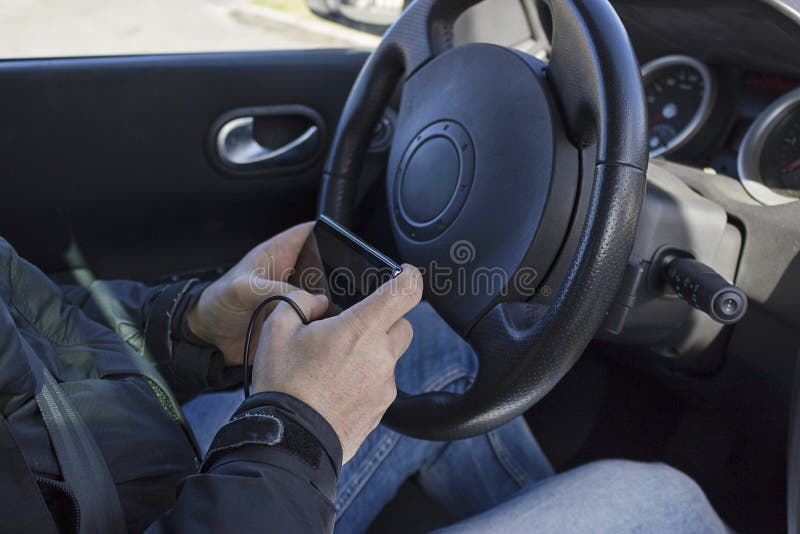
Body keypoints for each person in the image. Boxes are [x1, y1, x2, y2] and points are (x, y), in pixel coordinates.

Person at [0, 223, 726, 533]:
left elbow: (38, 333)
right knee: (655, 500)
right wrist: (290, 437)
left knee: (416, 343)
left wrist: (188, 327)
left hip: (132, 477)